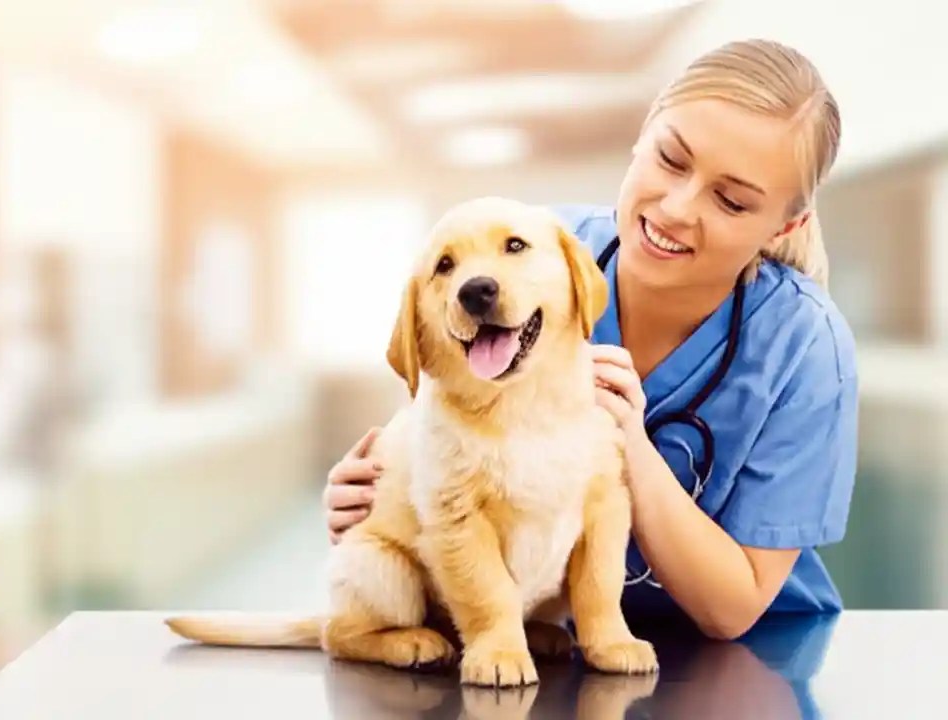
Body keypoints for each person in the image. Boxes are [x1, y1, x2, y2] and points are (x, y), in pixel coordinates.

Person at [322, 38, 858, 641]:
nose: (678, 207)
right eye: (671, 160)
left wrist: (628, 440)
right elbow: (449, 433)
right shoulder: (537, 253)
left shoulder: (804, 348)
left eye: (731, 201)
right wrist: (382, 496)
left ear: (784, 225)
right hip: (561, 645)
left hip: (756, 662)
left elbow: (733, 609)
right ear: (642, 136)